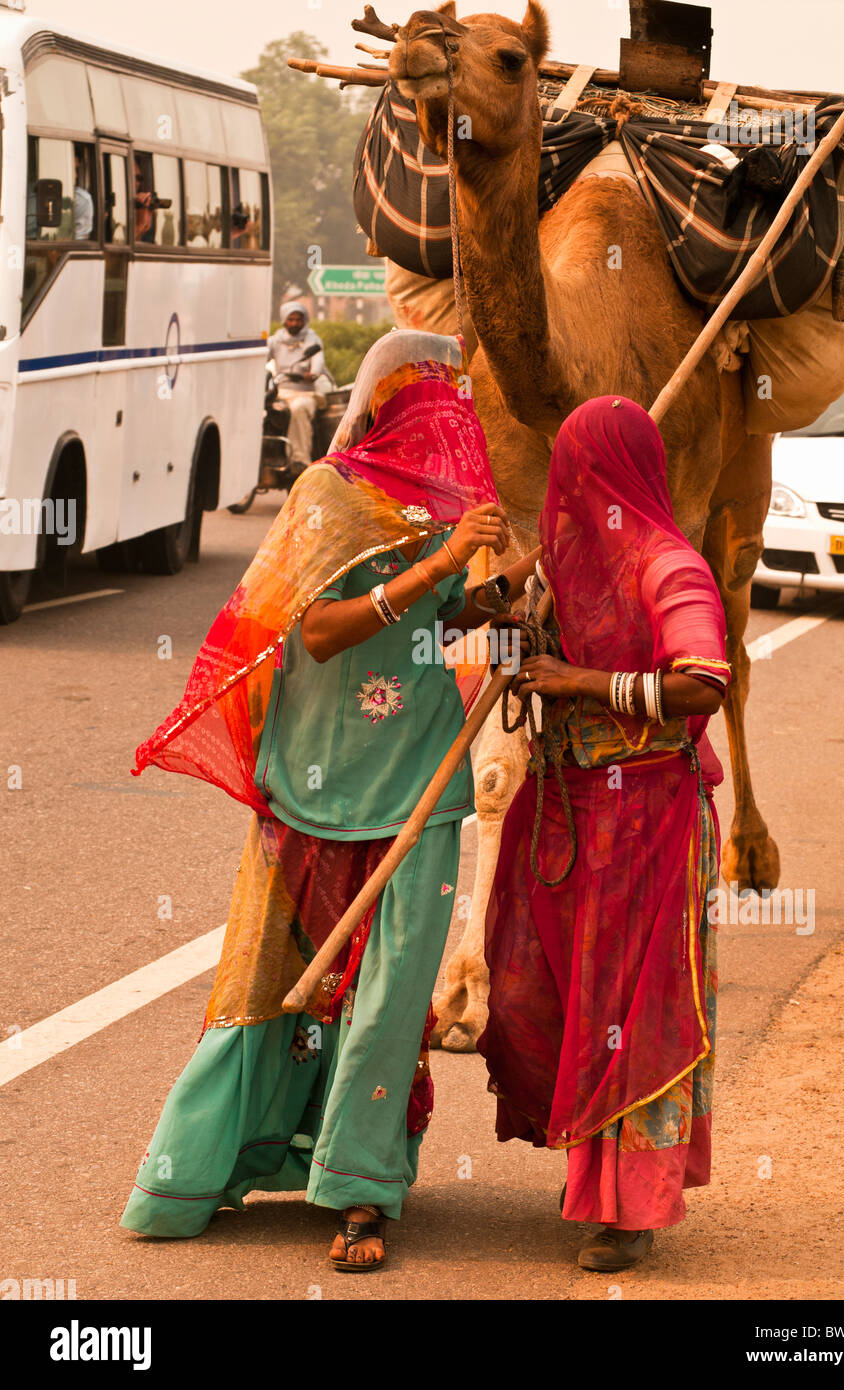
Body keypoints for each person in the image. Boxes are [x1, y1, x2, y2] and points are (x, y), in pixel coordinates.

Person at [121, 331, 537, 1271]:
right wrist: (435, 569)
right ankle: (203, 1167)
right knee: (268, 986)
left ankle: (358, 1195)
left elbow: (437, 633)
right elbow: (317, 635)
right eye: (433, 399)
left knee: (390, 1001)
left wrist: (499, 591)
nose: (451, 420)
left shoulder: (443, 509)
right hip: (310, 788)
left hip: (418, 790)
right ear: (389, 404)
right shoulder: (325, 497)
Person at [477, 396, 732, 1272]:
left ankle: (629, 1208)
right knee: (529, 990)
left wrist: (581, 681)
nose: (566, 489)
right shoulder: (565, 567)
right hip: (566, 808)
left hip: (650, 816)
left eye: (578, 472)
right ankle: (589, 1159)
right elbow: (528, 652)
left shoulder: (671, 568)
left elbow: (703, 682)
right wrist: (506, 629)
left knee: (631, 1010)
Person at [268, 303, 331, 469]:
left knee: (298, 409)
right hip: (280, 393)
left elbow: (317, 367)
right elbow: (259, 359)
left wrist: (308, 375)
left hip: (305, 394)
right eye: (291, 319)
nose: (295, 323)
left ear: (304, 321)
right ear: (284, 320)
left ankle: (299, 460)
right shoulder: (275, 341)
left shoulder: (312, 341)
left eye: (298, 320)